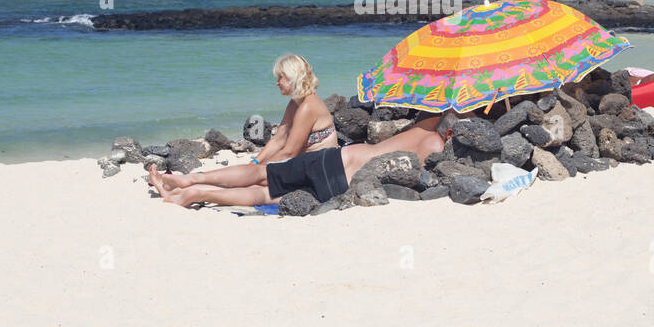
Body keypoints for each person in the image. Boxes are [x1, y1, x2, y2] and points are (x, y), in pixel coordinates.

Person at [151, 112, 462, 208]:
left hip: (339, 159)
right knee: (266, 195)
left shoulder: (427, 124)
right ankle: (198, 194)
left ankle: (190, 180)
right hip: (341, 185)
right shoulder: (438, 149)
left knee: (265, 173)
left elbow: (443, 113)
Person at [156, 54, 336, 196]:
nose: (277, 82)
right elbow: (278, 140)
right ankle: (189, 183)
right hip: (304, 164)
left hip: (317, 171)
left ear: (292, 78)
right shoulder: (295, 103)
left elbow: (289, 151)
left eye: (280, 77)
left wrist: (258, 169)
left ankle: (190, 185)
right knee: (250, 174)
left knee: (253, 179)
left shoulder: (307, 107)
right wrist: (256, 161)